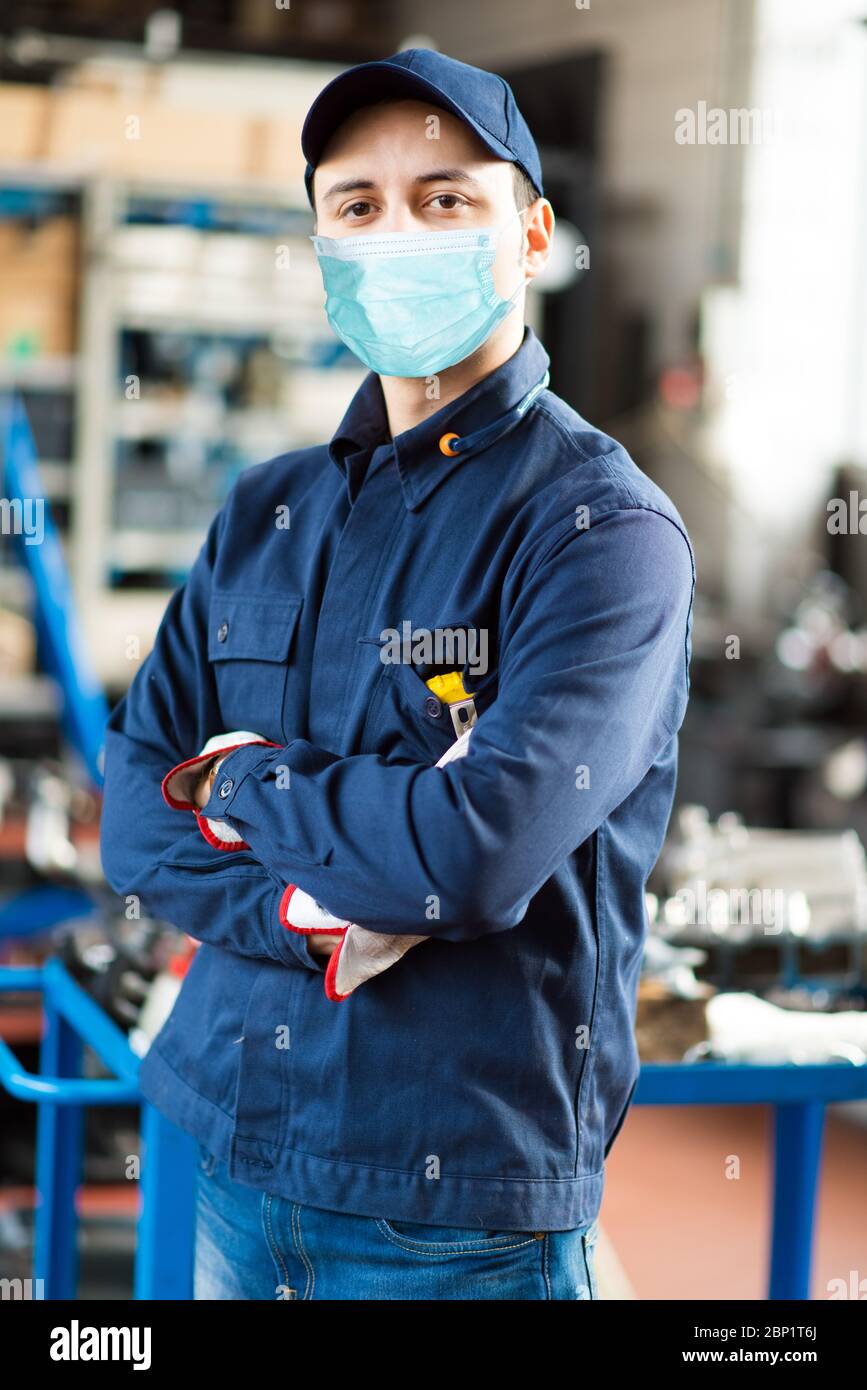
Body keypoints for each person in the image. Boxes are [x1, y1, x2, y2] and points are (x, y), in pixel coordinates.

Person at [100, 47, 695, 1301]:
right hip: (233, 1155)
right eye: (356, 207)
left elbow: (466, 858)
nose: (397, 233)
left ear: (530, 235)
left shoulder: (601, 532)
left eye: (444, 199)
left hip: (452, 1211)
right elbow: (134, 814)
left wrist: (244, 782)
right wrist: (308, 910)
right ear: (320, 248)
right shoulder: (266, 509)